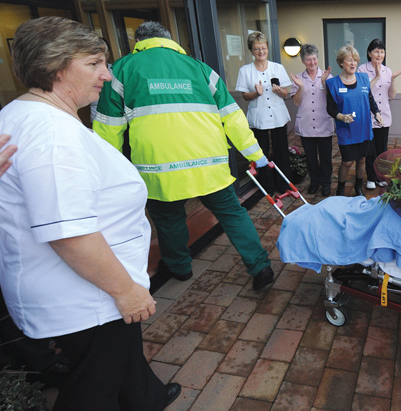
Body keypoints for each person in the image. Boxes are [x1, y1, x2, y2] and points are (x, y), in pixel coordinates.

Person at [0, 16, 180, 410]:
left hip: (84, 292)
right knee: (92, 389)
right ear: (56, 66)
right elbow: (69, 233)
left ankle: (144, 396)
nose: (107, 74)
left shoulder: (26, 114)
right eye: (94, 63)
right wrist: (126, 291)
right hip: (89, 299)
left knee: (119, 361)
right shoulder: (53, 136)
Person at [94, 21, 274, 290]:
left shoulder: (121, 70)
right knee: (233, 215)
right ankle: (261, 268)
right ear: (170, 40)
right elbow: (233, 118)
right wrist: (255, 154)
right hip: (210, 164)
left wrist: (106, 174)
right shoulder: (201, 69)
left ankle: (179, 268)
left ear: (138, 43)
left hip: (159, 169)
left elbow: (109, 130)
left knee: (169, 220)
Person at [236, 31, 293, 193]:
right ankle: (267, 186)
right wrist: (256, 93)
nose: (261, 52)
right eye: (256, 49)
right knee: (261, 152)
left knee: (281, 151)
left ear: (267, 48)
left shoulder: (277, 67)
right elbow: (245, 96)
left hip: (278, 116)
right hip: (259, 117)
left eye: (263, 48)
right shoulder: (245, 70)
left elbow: (285, 93)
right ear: (251, 51)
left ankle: (283, 184)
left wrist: (279, 91)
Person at [325, 44, 383, 196]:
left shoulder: (364, 79)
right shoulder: (332, 84)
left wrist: (377, 113)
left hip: (364, 128)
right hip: (346, 130)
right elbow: (330, 108)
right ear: (341, 63)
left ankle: (358, 187)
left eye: (355, 60)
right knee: (347, 162)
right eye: (348, 60)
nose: (352, 63)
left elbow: (370, 99)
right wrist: (341, 117)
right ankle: (341, 188)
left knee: (362, 160)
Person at [358, 39, 401, 189]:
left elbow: (391, 95)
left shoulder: (388, 70)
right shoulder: (361, 70)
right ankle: (371, 178)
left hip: (383, 115)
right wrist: (377, 76)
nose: (379, 54)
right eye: (376, 51)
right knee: (370, 148)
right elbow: (362, 92)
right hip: (367, 115)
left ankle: (380, 177)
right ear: (369, 53)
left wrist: (392, 79)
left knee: (382, 149)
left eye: (382, 51)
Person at [289, 44, 334, 196]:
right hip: (306, 124)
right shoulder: (298, 78)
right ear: (303, 61)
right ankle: (314, 181)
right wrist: (300, 87)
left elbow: (333, 99)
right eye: (309, 60)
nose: (312, 63)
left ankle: (326, 183)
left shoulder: (327, 77)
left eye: (314, 59)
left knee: (326, 157)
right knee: (311, 158)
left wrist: (324, 83)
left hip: (324, 122)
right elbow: (295, 102)